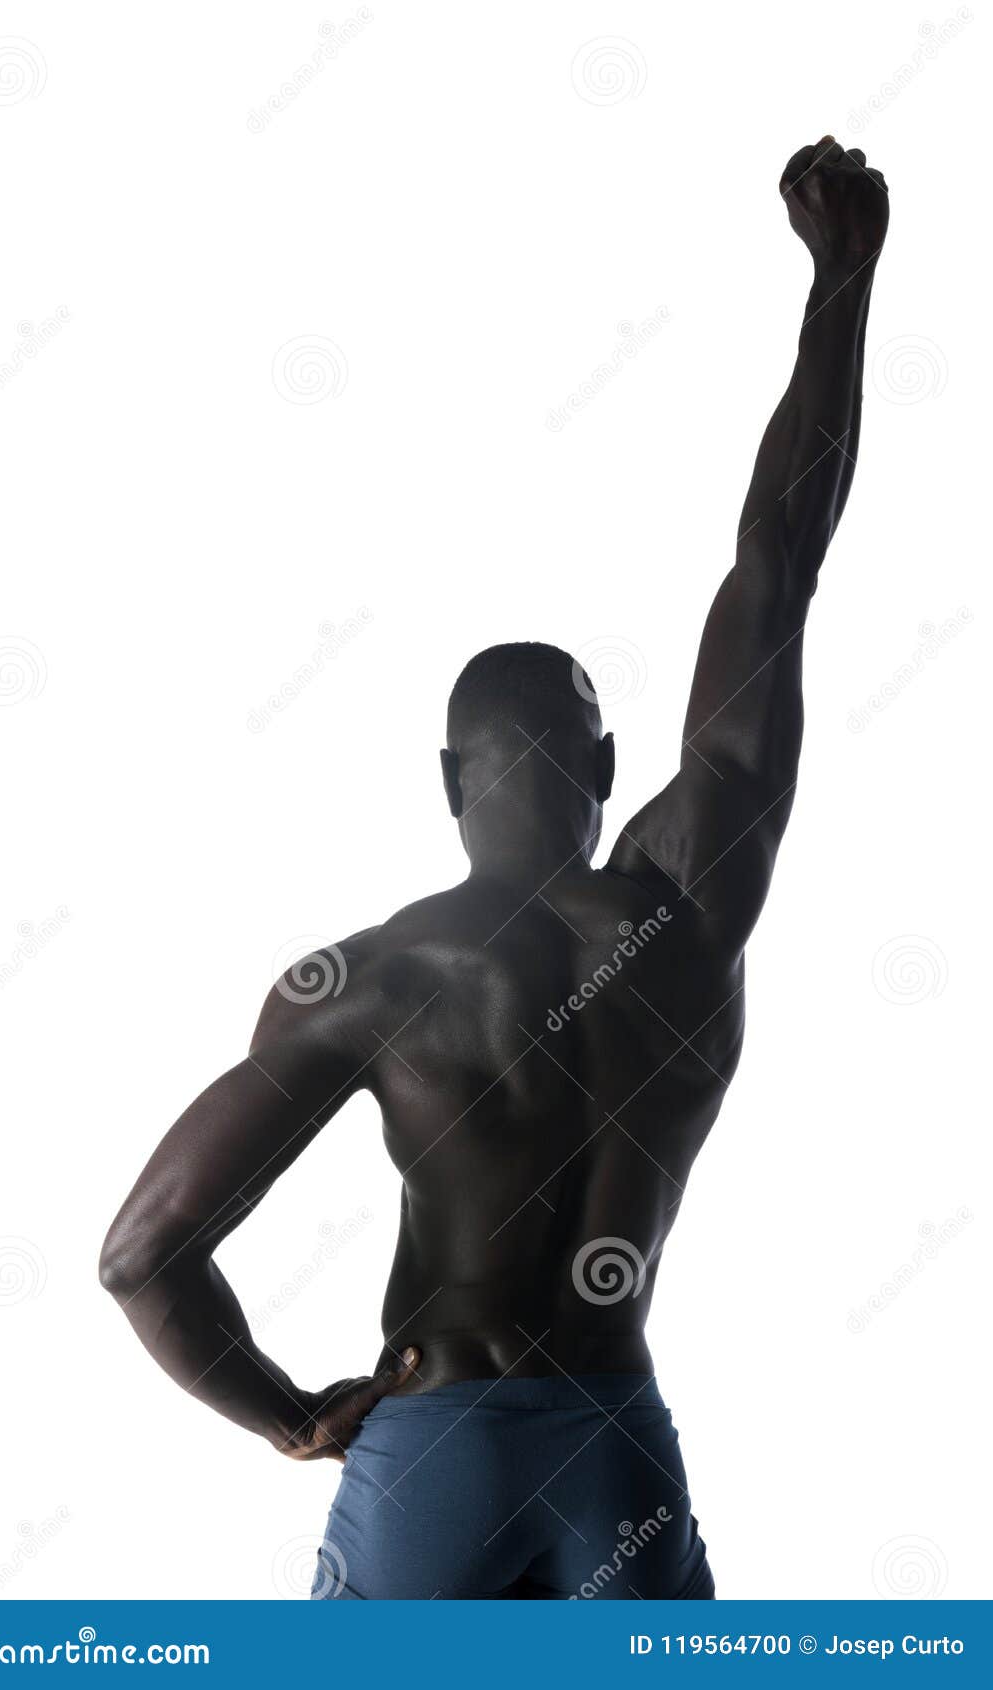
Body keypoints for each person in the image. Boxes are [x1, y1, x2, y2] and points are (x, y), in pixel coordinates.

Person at [100, 138, 888, 1599]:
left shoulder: (370, 980)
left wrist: (294, 1418)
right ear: (605, 773)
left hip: (437, 1448)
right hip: (619, 1448)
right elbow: (777, 563)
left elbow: (145, 1250)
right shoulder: (683, 902)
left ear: (452, 781)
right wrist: (843, 283)